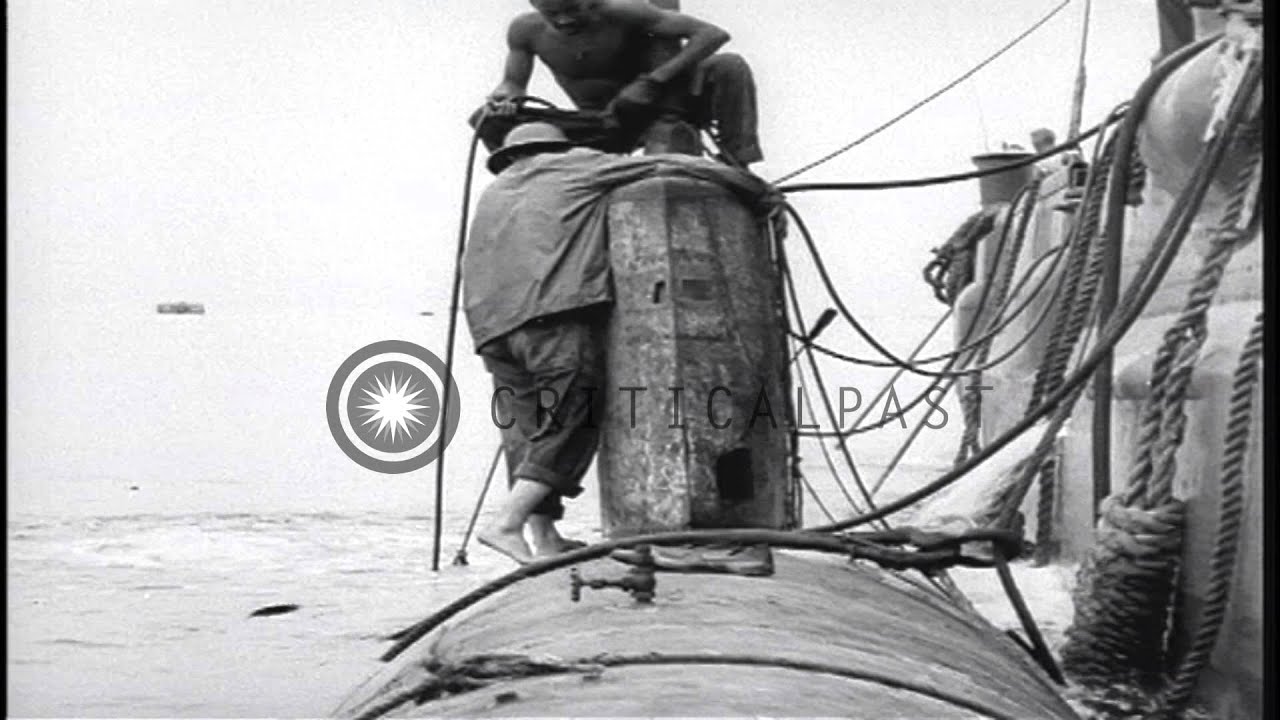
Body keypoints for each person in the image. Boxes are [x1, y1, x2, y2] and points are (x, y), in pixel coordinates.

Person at [465, 122, 775, 564]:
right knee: (575, 414)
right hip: (551, 315)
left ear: (510, 157)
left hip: (493, 331)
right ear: (557, 148)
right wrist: (757, 192)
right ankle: (506, 525)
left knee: (529, 429)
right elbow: (671, 163)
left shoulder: (494, 194)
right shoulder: (573, 165)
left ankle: (544, 538)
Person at [472, 0, 763, 167]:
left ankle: (739, 162)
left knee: (729, 66)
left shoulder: (624, 12)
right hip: (599, 123)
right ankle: (545, 183)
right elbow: (512, 83)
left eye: (573, 9)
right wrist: (504, 99)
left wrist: (653, 81)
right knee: (488, 122)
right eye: (553, 14)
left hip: (655, 105)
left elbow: (711, 35)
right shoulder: (525, 30)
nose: (564, 19)